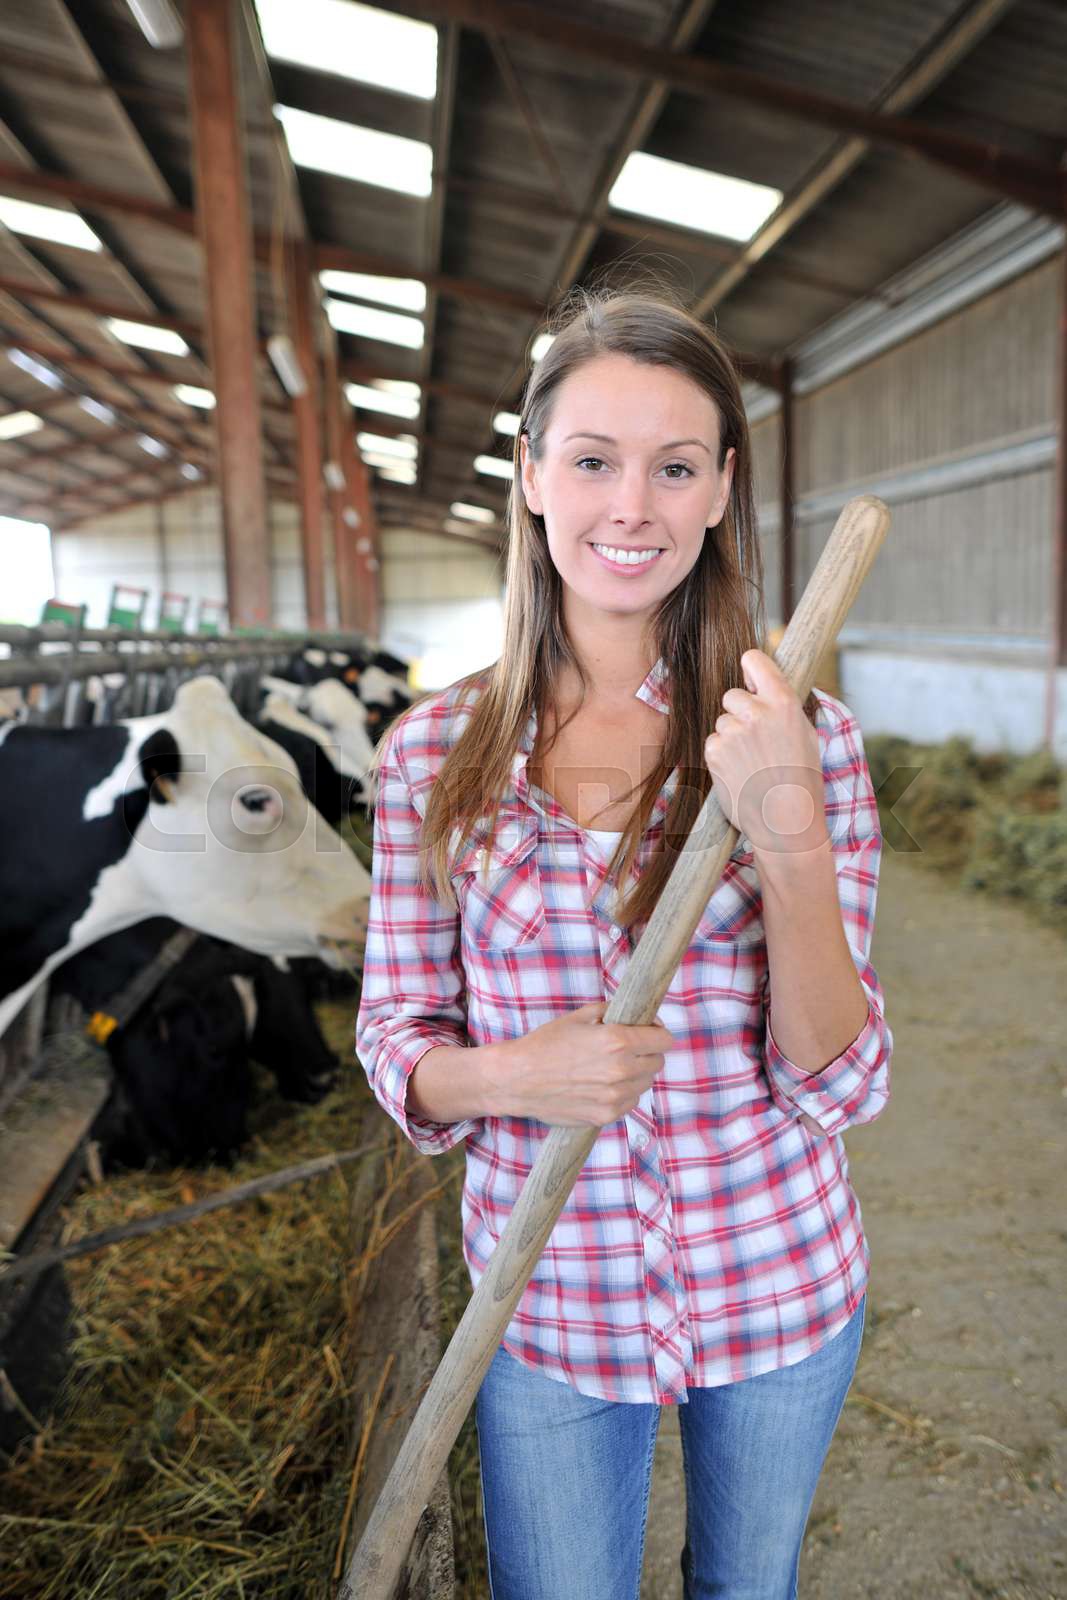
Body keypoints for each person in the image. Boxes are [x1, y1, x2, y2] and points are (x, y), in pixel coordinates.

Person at [356, 290, 893, 1600]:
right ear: (533, 476)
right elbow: (396, 1039)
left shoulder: (801, 736)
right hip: (546, 1307)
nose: (630, 508)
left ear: (719, 493)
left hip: (776, 1285)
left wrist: (783, 826)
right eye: (592, 460)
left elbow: (841, 1080)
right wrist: (508, 1078)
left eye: (675, 466)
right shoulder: (431, 755)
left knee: (743, 1591)